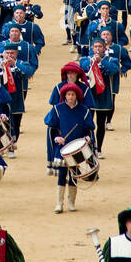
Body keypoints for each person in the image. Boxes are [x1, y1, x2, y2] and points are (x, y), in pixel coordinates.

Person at [44, 81, 94, 213]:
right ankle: (59, 203)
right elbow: (52, 128)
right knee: (61, 175)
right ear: (64, 96)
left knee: (74, 175)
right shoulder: (57, 109)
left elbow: (89, 129)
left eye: (73, 94)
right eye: (68, 94)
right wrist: (57, 138)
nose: (70, 97)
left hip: (77, 148)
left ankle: (71, 202)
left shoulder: (84, 111)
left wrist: (87, 138)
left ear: (77, 96)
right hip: (62, 148)